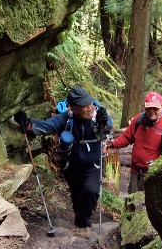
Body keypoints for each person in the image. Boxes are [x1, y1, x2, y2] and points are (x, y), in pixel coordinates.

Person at [15, 86, 113, 232]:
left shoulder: (99, 116)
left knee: (91, 191)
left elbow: (107, 128)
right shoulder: (66, 119)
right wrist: (27, 123)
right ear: (73, 109)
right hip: (72, 164)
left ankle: (83, 224)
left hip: (94, 163)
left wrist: (103, 123)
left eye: (90, 103)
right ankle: (79, 218)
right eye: (84, 106)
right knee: (77, 193)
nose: (89, 108)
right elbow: (46, 126)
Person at [105, 91, 162, 193]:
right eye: (149, 108)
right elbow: (126, 138)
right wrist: (112, 143)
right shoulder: (138, 120)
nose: (152, 111)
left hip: (153, 176)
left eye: (155, 108)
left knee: (146, 207)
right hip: (135, 172)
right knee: (131, 205)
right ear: (145, 107)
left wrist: (158, 164)